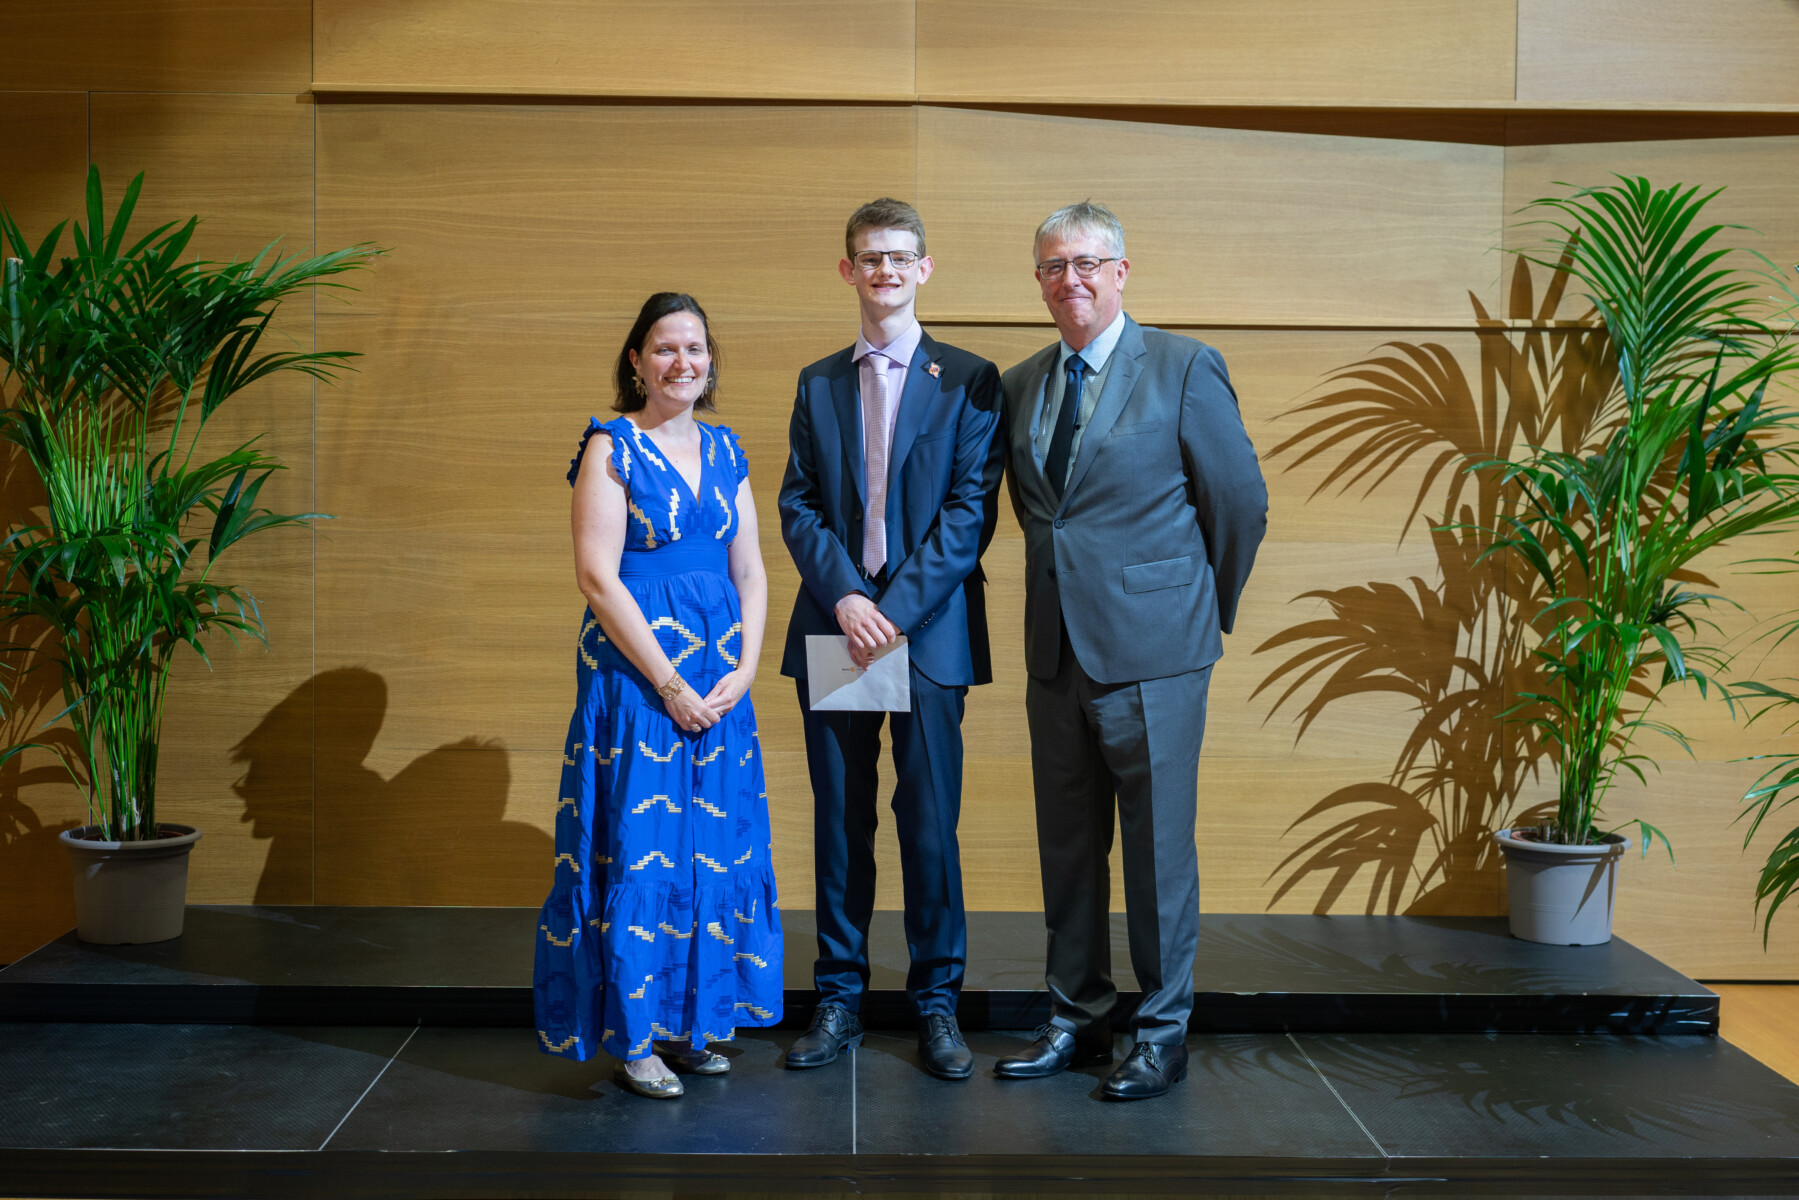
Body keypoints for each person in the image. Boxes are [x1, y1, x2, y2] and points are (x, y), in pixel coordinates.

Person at [992, 201, 1268, 1100]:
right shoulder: (1023, 381)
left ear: (1118, 271)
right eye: (1050, 268)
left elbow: (1238, 503)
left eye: (1084, 263)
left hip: (1156, 654)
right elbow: (1044, 518)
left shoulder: (1184, 367)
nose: (1067, 281)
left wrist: (1195, 613)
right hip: (1055, 652)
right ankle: (1074, 1015)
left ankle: (1160, 1032)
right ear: (1037, 283)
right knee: (1067, 849)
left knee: (1156, 855)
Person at [533, 292, 783, 1100]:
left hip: (718, 686)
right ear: (636, 360)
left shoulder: (725, 447)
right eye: (665, 348)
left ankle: (687, 1026)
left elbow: (751, 569)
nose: (683, 362)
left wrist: (743, 670)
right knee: (639, 849)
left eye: (696, 349)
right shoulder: (612, 445)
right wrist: (670, 683)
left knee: (705, 848)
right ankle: (635, 1038)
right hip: (636, 686)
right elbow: (597, 578)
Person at [777, 198, 1003, 1080]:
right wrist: (845, 601)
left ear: (925, 268)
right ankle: (838, 1000)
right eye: (869, 258)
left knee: (929, 826)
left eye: (900, 257)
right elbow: (796, 504)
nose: (885, 271)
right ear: (847, 271)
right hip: (839, 627)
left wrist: (890, 611)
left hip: (925, 630)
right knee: (842, 823)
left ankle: (936, 1005)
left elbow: (968, 514)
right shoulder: (817, 381)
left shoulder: (971, 379)